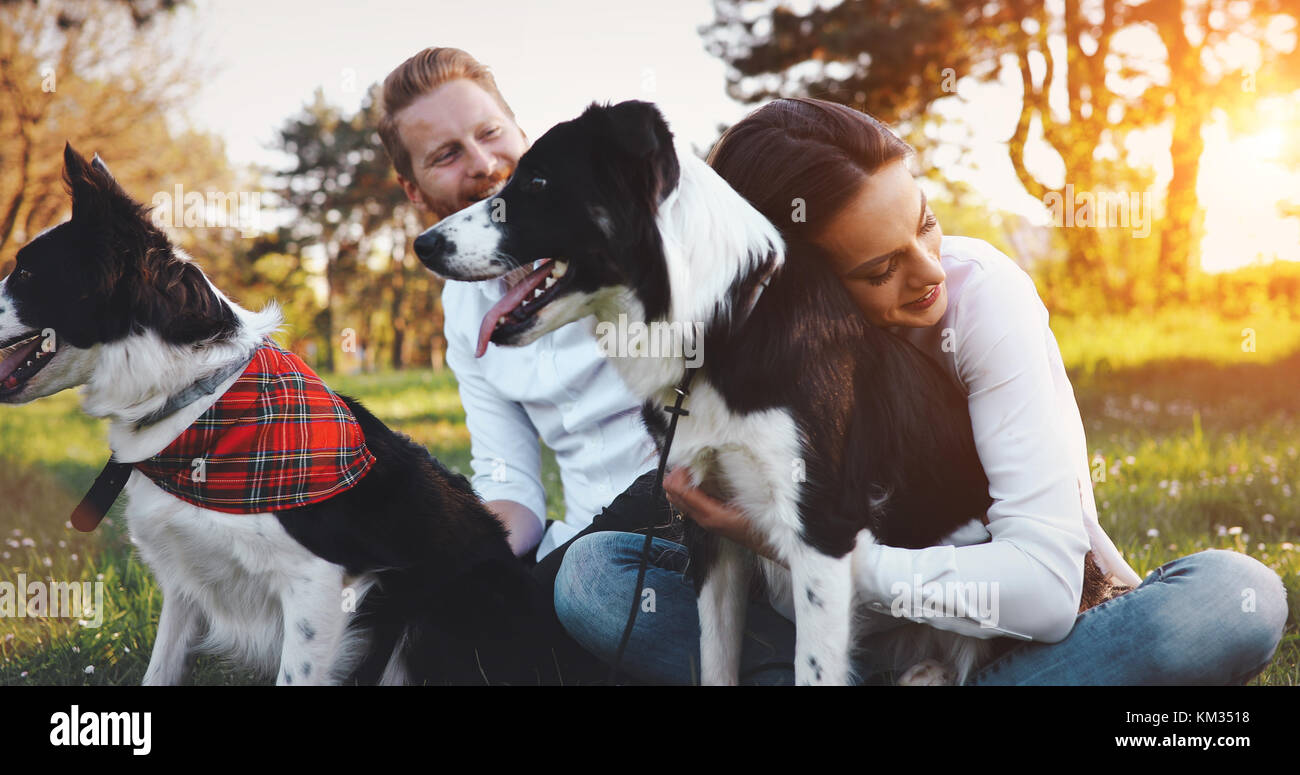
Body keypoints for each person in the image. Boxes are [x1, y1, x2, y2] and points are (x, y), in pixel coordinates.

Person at [552, 97, 1290, 685]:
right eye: (879, 271)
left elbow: (1042, 589)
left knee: (1227, 600)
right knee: (594, 577)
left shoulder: (979, 296)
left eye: (925, 224)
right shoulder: (737, 357)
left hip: (993, 632)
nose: (929, 272)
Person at [377, 47, 682, 682]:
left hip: (686, 512)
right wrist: (459, 564)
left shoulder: (635, 230)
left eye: (490, 133)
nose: (484, 164)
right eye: (447, 154)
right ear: (414, 189)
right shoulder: (465, 308)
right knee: (437, 636)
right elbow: (508, 479)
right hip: (580, 542)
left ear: (522, 131)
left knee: (579, 598)